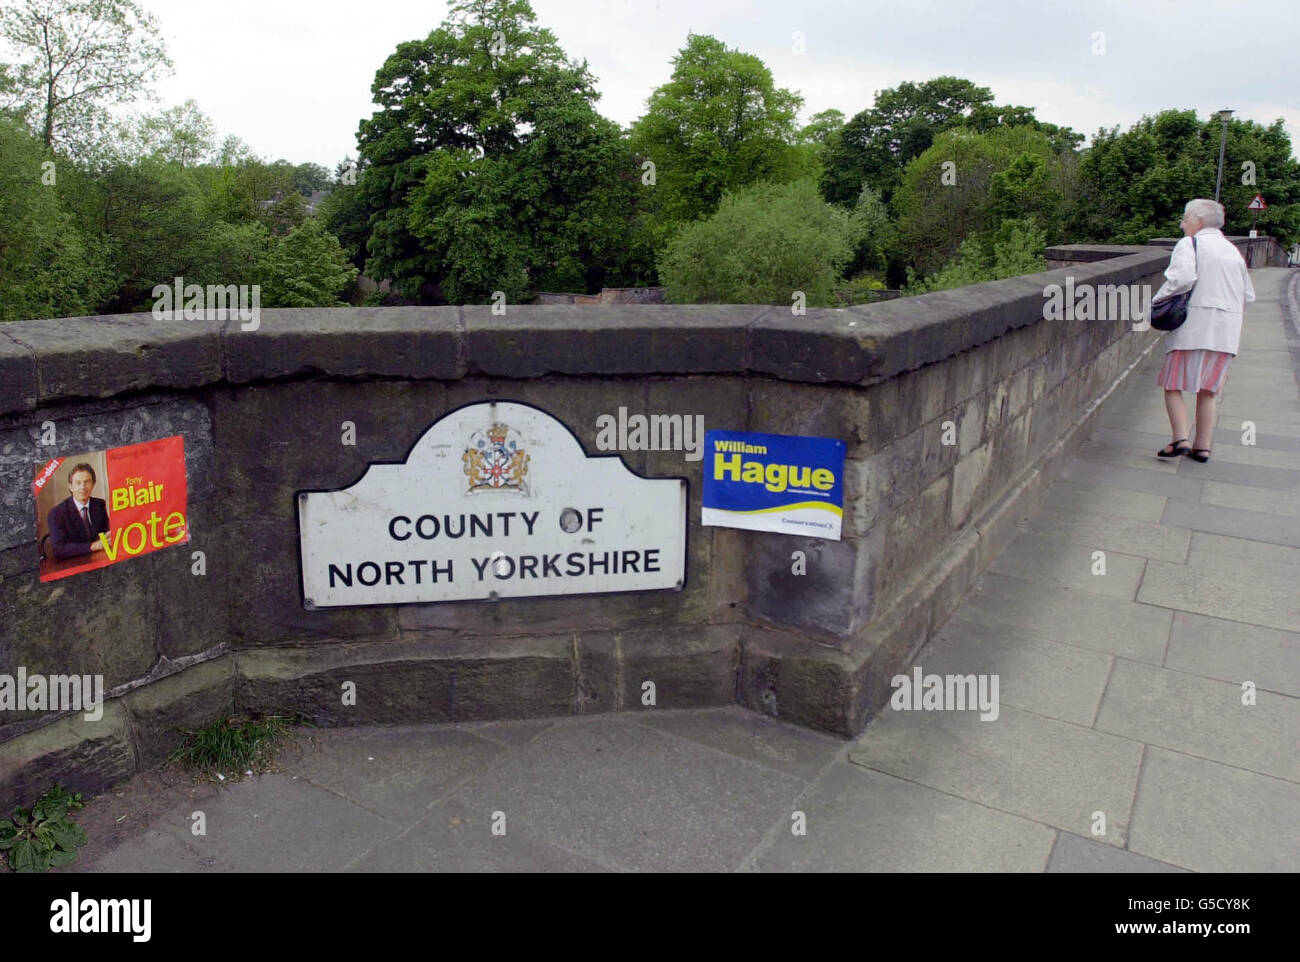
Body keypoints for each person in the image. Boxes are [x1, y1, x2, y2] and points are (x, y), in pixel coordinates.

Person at [1152, 199, 1255, 462]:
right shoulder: (1233, 251)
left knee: (1172, 385)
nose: (1182, 224)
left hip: (1195, 328)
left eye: (1185, 218)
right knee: (1208, 391)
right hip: (1226, 332)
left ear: (1198, 221)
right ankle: (1202, 446)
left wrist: (1157, 301)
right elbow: (1248, 294)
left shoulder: (1190, 244)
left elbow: (1182, 278)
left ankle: (1180, 439)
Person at [48, 463, 111, 560]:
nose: (83, 487)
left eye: (87, 482)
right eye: (78, 483)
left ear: (93, 484)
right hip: (73, 563)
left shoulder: (99, 504)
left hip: (99, 559)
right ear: (71, 486)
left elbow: (106, 531)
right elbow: (58, 550)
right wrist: (93, 546)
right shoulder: (56, 513)